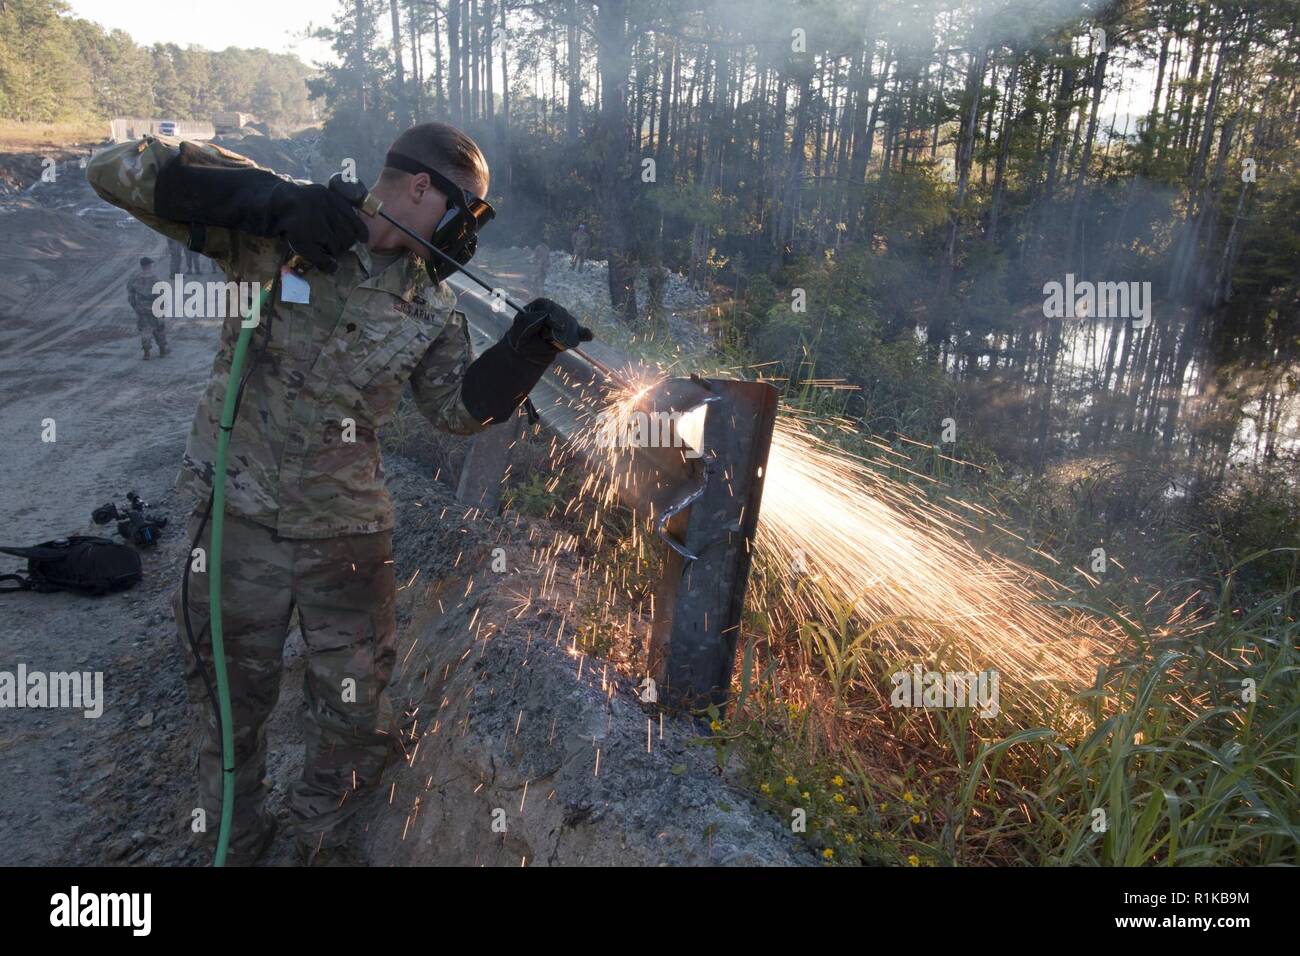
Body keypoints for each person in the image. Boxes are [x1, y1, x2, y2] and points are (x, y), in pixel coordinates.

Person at [88, 122, 587, 865]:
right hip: (238, 526)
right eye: (468, 212)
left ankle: (314, 843)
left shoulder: (429, 306)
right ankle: (238, 846)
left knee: (356, 716)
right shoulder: (281, 236)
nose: (468, 233)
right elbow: (114, 169)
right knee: (231, 713)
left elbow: (456, 411)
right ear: (422, 189)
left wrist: (526, 354)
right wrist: (269, 198)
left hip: (347, 538)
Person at [125, 256, 167, 359]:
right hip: (154, 307)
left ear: (141, 265)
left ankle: (146, 352)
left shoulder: (134, 278)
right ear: (149, 265)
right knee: (159, 328)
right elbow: (161, 294)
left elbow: (130, 294)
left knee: (145, 329)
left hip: (141, 308)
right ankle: (162, 350)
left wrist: (135, 306)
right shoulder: (155, 278)